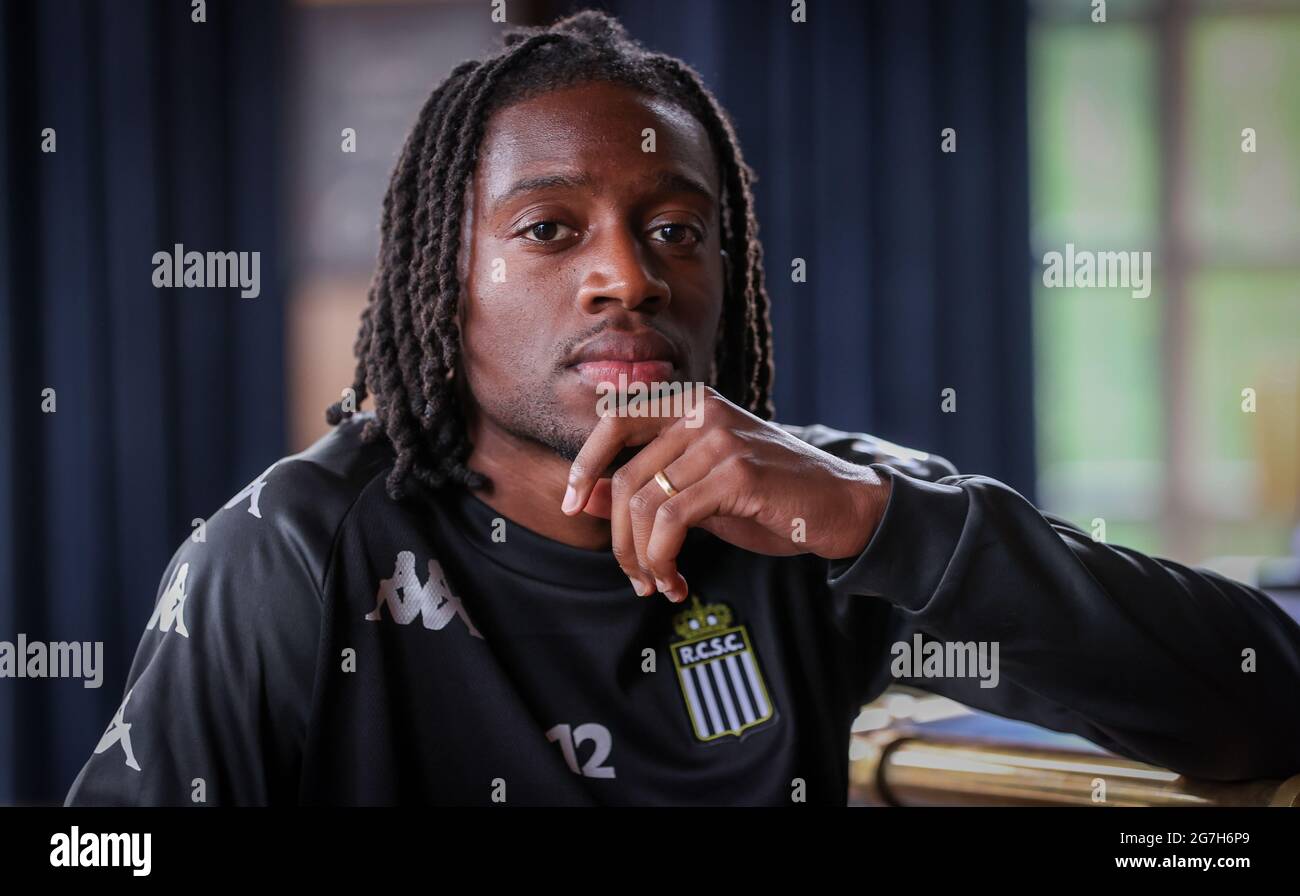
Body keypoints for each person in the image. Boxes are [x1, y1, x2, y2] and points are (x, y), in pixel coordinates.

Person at [66, 11, 1300, 806]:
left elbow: (1262, 699)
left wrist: (885, 522)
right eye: (550, 230)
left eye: (676, 231)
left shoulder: (817, 513)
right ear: (442, 284)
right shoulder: (295, 549)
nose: (630, 275)